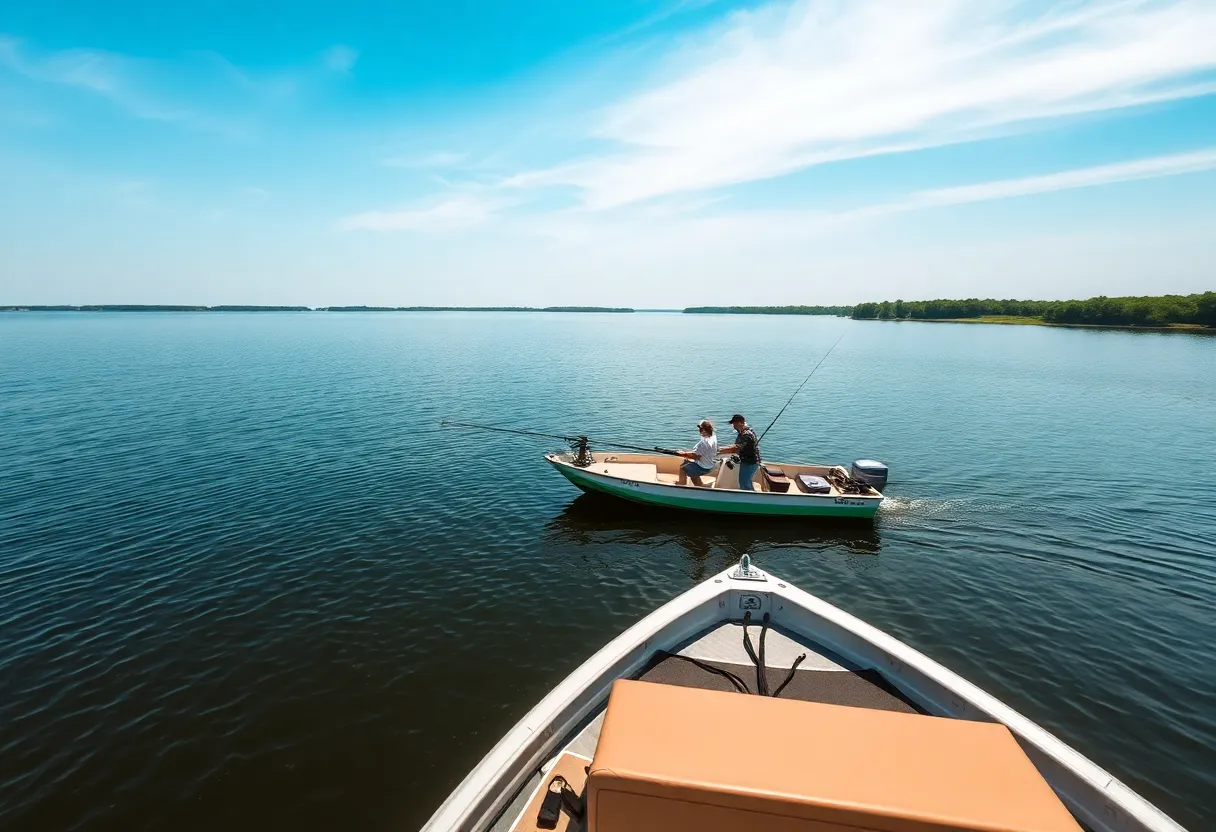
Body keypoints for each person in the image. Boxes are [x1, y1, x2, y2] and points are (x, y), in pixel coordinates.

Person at [719, 413, 761, 491]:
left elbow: (736, 448)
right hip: (748, 461)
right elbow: (736, 446)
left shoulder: (746, 435)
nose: (734, 426)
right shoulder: (746, 431)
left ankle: (750, 499)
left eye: (735, 423)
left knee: (744, 483)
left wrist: (719, 451)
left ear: (741, 423)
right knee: (746, 482)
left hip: (750, 463)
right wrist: (721, 449)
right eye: (733, 423)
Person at [676, 419, 718, 486]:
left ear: (703, 430)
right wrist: (686, 454)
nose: (699, 430)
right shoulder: (713, 437)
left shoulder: (704, 443)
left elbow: (696, 456)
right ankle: (700, 485)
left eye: (700, 428)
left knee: (683, 467)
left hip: (703, 467)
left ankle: (682, 484)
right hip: (710, 464)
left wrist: (683, 454)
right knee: (687, 463)